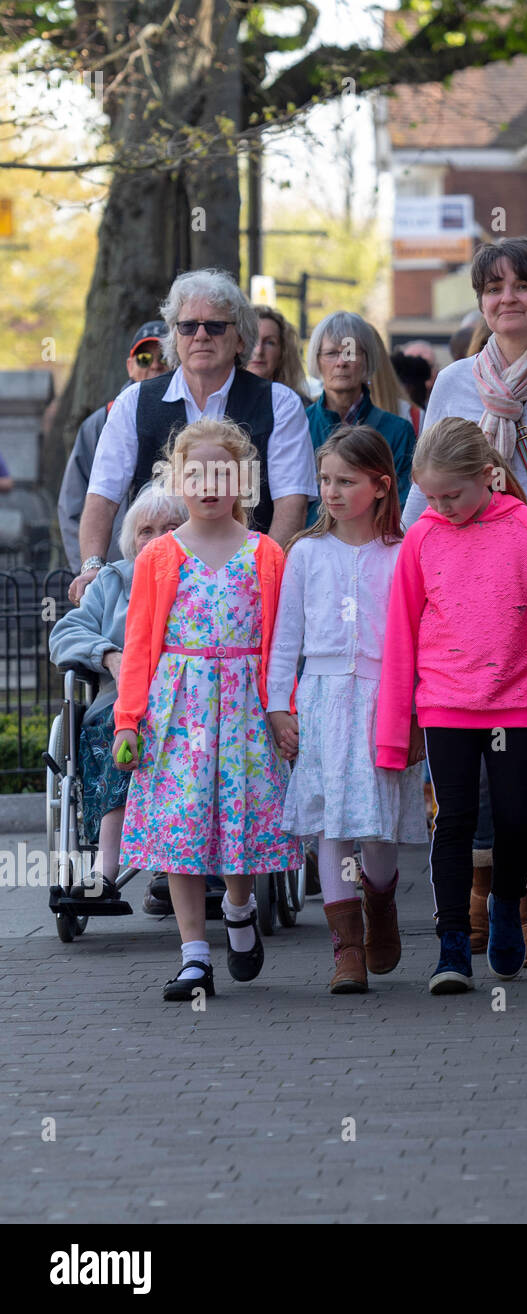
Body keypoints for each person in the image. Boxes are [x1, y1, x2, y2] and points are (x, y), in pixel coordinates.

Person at [401, 239, 527, 967]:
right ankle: (480, 902)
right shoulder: (455, 381)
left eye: (523, 285)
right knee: (471, 768)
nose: (507, 297)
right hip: (468, 594)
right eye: (494, 287)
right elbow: (428, 490)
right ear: (481, 301)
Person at [376, 417, 527, 994]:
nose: (441, 506)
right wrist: (396, 729)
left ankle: (508, 905)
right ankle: (453, 941)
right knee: (456, 821)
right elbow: (401, 634)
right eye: (431, 496)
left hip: (515, 703)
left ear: (488, 476)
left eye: (452, 495)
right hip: (445, 703)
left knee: (516, 821)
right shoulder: (423, 535)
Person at [111, 417, 301, 1001]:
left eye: (224, 470)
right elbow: (140, 641)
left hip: (245, 708)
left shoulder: (268, 554)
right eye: (197, 472)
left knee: (239, 824)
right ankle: (194, 954)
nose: (210, 483)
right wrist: (127, 719)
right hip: (178, 710)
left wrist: (282, 706)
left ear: (244, 478)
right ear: (178, 479)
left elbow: (283, 642)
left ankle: (240, 911)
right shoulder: (159, 557)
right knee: (183, 827)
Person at [267, 426, 427, 993]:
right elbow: (286, 638)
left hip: (386, 700)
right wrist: (278, 705)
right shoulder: (306, 553)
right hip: (323, 699)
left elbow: (421, 634)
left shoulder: (406, 553)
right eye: (325, 481)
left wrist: (417, 710)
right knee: (331, 824)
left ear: (382, 485)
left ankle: (380, 902)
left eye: (346, 481)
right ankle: (347, 947)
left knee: (377, 826)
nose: (331, 492)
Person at [73, 269, 317, 604]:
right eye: (188, 326)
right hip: (154, 586)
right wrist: (93, 566)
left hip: (246, 589)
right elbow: (102, 494)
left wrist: (264, 578)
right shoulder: (134, 402)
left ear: (241, 339)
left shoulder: (280, 403)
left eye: (215, 326)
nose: (200, 335)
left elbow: (292, 503)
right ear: (174, 336)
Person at [49, 481, 187, 895]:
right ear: (131, 540)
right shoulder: (115, 581)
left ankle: (182, 865)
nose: (159, 538)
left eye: (171, 527)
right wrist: (108, 655)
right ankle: (105, 873)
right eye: (147, 530)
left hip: (190, 700)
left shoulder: (204, 576)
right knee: (119, 730)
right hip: (120, 702)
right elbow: (65, 633)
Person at [58, 321, 169, 570]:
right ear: (130, 366)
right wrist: (88, 569)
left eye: (164, 356)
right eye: (143, 358)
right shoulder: (101, 422)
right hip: (115, 570)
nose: (154, 364)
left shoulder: (191, 412)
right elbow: (72, 503)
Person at [304, 312, 415, 513]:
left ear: (367, 359)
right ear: (317, 360)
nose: (341, 362)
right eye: (331, 353)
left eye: (350, 353)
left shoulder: (398, 431)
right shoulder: (299, 426)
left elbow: (403, 507)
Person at [248, 305, 311, 402]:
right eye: (252, 340)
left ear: (283, 352)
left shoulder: (299, 406)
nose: (259, 351)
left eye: (270, 342)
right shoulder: (221, 400)